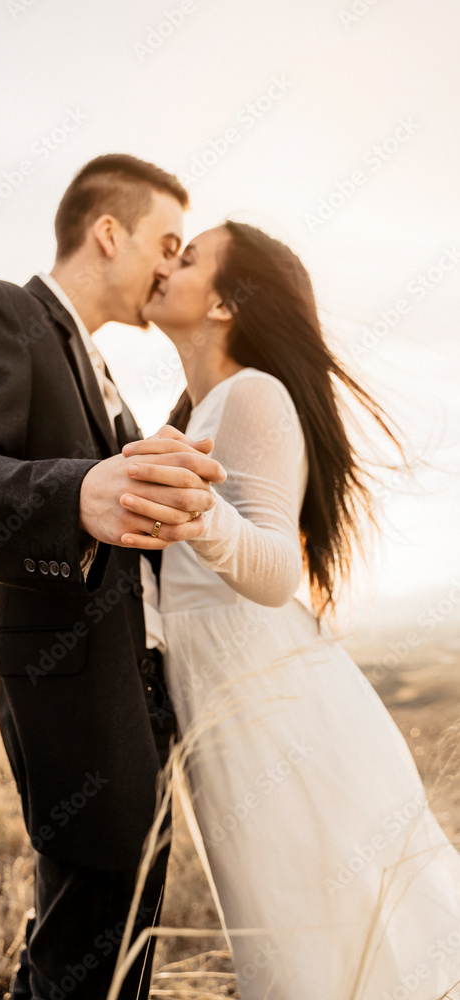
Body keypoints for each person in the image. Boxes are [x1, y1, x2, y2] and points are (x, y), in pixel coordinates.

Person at [0, 154, 228, 1000]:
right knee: (82, 956)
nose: (169, 264)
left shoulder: (103, 368)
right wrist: (77, 490)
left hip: (142, 696)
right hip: (75, 708)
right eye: (166, 241)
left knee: (119, 946)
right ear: (108, 233)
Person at [119, 221, 460, 999]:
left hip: (278, 717)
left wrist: (193, 511)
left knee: (316, 932)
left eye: (189, 256)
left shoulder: (253, 392)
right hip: (230, 711)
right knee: (290, 933)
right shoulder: (200, 412)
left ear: (226, 303)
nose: (168, 264)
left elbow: (274, 570)